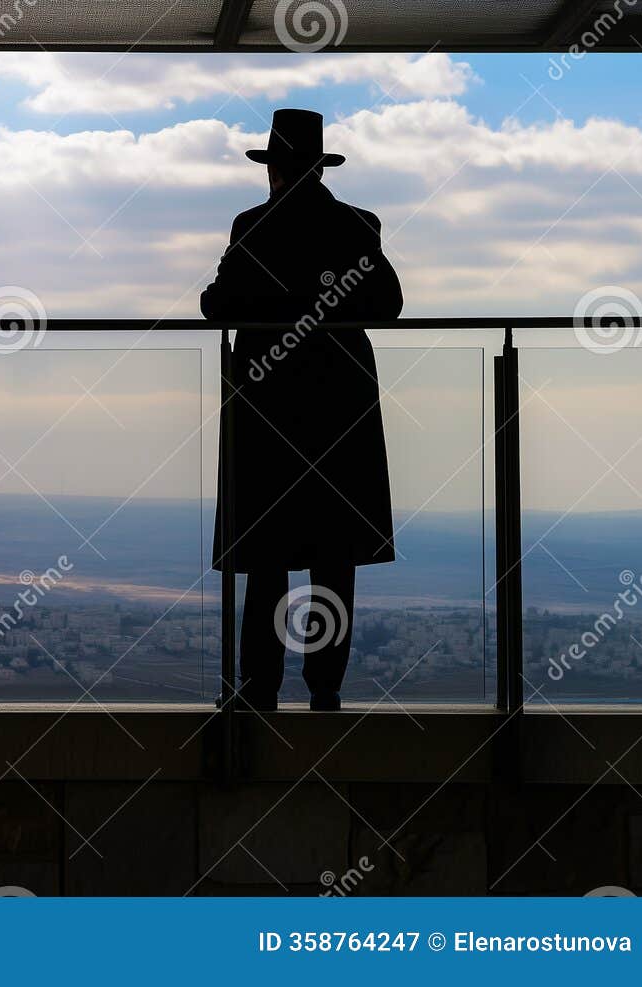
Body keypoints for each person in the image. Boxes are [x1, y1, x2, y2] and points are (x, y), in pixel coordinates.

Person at [201, 109, 403, 713]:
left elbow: (217, 305)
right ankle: (326, 690)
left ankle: (259, 689)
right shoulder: (356, 225)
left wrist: (278, 306)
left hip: (266, 409)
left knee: (267, 557)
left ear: (275, 169)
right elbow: (386, 304)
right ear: (319, 166)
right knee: (333, 560)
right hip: (340, 408)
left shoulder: (252, 228)